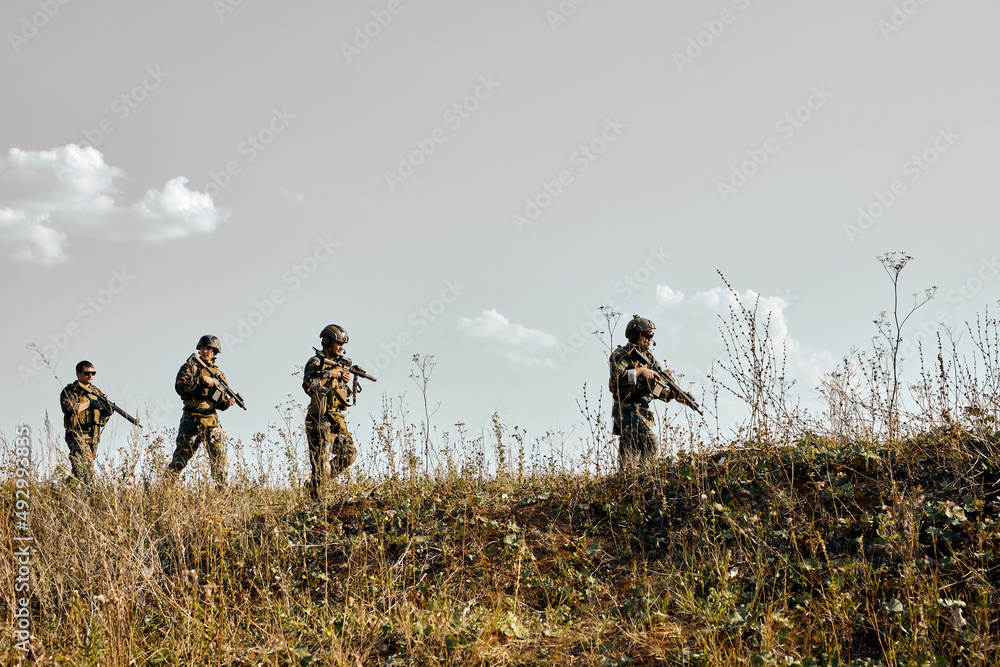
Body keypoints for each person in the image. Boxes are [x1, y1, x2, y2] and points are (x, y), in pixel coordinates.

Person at [608, 315, 677, 470]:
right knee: (650, 441)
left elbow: (656, 388)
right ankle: (645, 475)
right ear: (635, 335)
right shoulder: (620, 355)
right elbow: (616, 380)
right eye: (647, 336)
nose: (649, 340)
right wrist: (640, 371)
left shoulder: (649, 359)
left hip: (642, 411)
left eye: (651, 336)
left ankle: (633, 482)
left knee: (630, 451)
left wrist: (670, 394)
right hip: (626, 409)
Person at [167, 335, 234, 487]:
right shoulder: (190, 366)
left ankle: (221, 495)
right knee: (181, 457)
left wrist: (226, 402)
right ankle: (165, 489)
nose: (205, 352)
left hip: (211, 418)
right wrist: (201, 381)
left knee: (219, 460)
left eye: (209, 349)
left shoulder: (219, 374)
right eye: (203, 348)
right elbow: (180, 387)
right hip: (191, 417)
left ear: (215, 352)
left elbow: (218, 402)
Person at [302, 324, 358, 499]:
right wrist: (329, 375)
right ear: (327, 342)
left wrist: (345, 381)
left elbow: (342, 397)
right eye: (339, 343)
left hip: (335, 419)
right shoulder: (316, 362)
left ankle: (317, 482)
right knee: (321, 463)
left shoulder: (340, 364)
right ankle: (317, 501)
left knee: (349, 454)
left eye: (343, 345)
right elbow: (309, 386)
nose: (342, 348)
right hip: (319, 420)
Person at [60, 360, 113, 484]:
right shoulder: (70, 391)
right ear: (78, 374)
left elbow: (103, 415)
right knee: (87, 470)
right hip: (77, 436)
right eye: (87, 373)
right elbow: (68, 409)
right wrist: (89, 403)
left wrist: (106, 413)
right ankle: (89, 498)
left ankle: (61, 493)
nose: (90, 376)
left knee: (79, 472)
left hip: (93, 437)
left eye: (93, 373)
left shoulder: (97, 392)